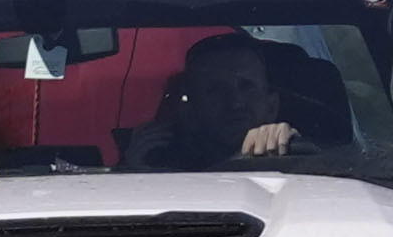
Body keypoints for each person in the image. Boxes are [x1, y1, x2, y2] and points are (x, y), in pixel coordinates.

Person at [134, 33, 331, 169]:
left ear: (272, 106)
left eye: (247, 86)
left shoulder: (328, 175)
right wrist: (135, 173)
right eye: (216, 90)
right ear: (189, 113)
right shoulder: (158, 172)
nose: (235, 102)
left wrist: (300, 157)